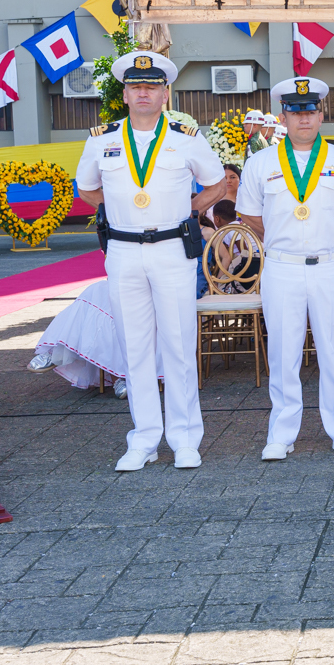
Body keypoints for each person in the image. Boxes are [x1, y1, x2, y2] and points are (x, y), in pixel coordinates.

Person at [76, 50, 226, 471]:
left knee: (179, 344)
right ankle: (143, 438)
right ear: (124, 94)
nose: (144, 93)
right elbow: (86, 189)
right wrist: (120, 210)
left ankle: (184, 438)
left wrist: (187, 208)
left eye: (152, 87)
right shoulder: (101, 139)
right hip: (123, 251)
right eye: (136, 86)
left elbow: (215, 183)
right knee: (134, 346)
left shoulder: (185, 137)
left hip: (172, 249)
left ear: (165, 94)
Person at [237, 76, 334, 461]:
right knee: (283, 353)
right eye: (296, 112)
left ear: (321, 114)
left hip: (330, 265)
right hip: (282, 268)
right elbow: (248, 213)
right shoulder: (261, 163)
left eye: (311, 111)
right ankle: (281, 434)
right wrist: (282, 235)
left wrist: (327, 233)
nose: (304, 120)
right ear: (284, 116)